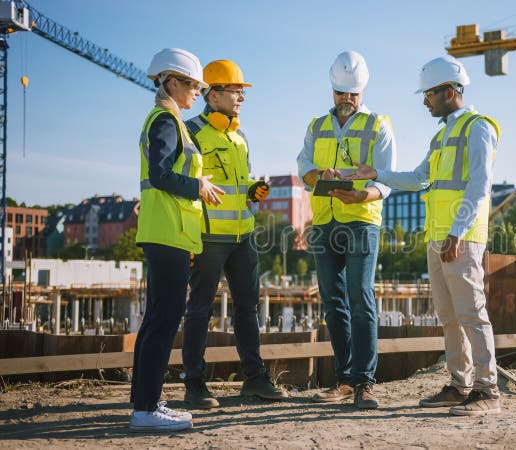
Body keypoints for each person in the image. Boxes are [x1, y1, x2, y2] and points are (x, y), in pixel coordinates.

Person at [342, 56, 502, 416]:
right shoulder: (442, 135)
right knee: (449, 316)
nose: (424, 102)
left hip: (461, 237)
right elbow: (419, 178)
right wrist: (376, 173)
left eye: (429, 95)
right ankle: (460, 385)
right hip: (439, 238)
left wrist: (457, 233)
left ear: (449, 92)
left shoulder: (478, 128)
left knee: (472, 314)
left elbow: (479, 186)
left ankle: (488, 389)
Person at [182, 60, 288, 409]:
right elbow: (186, 185)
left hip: (244, 236)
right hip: (208, 237)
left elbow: (235, 186)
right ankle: (194, 384)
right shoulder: (190, 132)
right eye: (235, 91)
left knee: (247, 309)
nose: (241, 98)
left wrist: (252, 190)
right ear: (213, 95)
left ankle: (254, 379)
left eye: (243, 92)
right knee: (199, 310)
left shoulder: (240, 137)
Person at [130, 48, 224, 432]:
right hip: (167, 232)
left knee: (157, 319)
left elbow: (165, 172)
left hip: (169, 232)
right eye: (192, 85)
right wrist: (197, 185)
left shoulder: (171, 121)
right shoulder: (166, 120)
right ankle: (146, 410)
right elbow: (161, 174)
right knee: (164, 320)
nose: (197, 92)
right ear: (172, 83)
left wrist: (196, 182)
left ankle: (145, 403)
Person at [296, 51, 396, 409]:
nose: (347, 98)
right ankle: (343, 380)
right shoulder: (316, 126)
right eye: (341, 92)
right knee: (333, 302)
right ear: (332, 89)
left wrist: (362, 195)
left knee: (360, 297)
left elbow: (386, 179)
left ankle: (364, 382)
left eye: (353, 93)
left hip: (361, 219)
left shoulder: (378, 125)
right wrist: (318, 176)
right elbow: (303, 167)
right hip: (324, 221)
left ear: (362, 90)